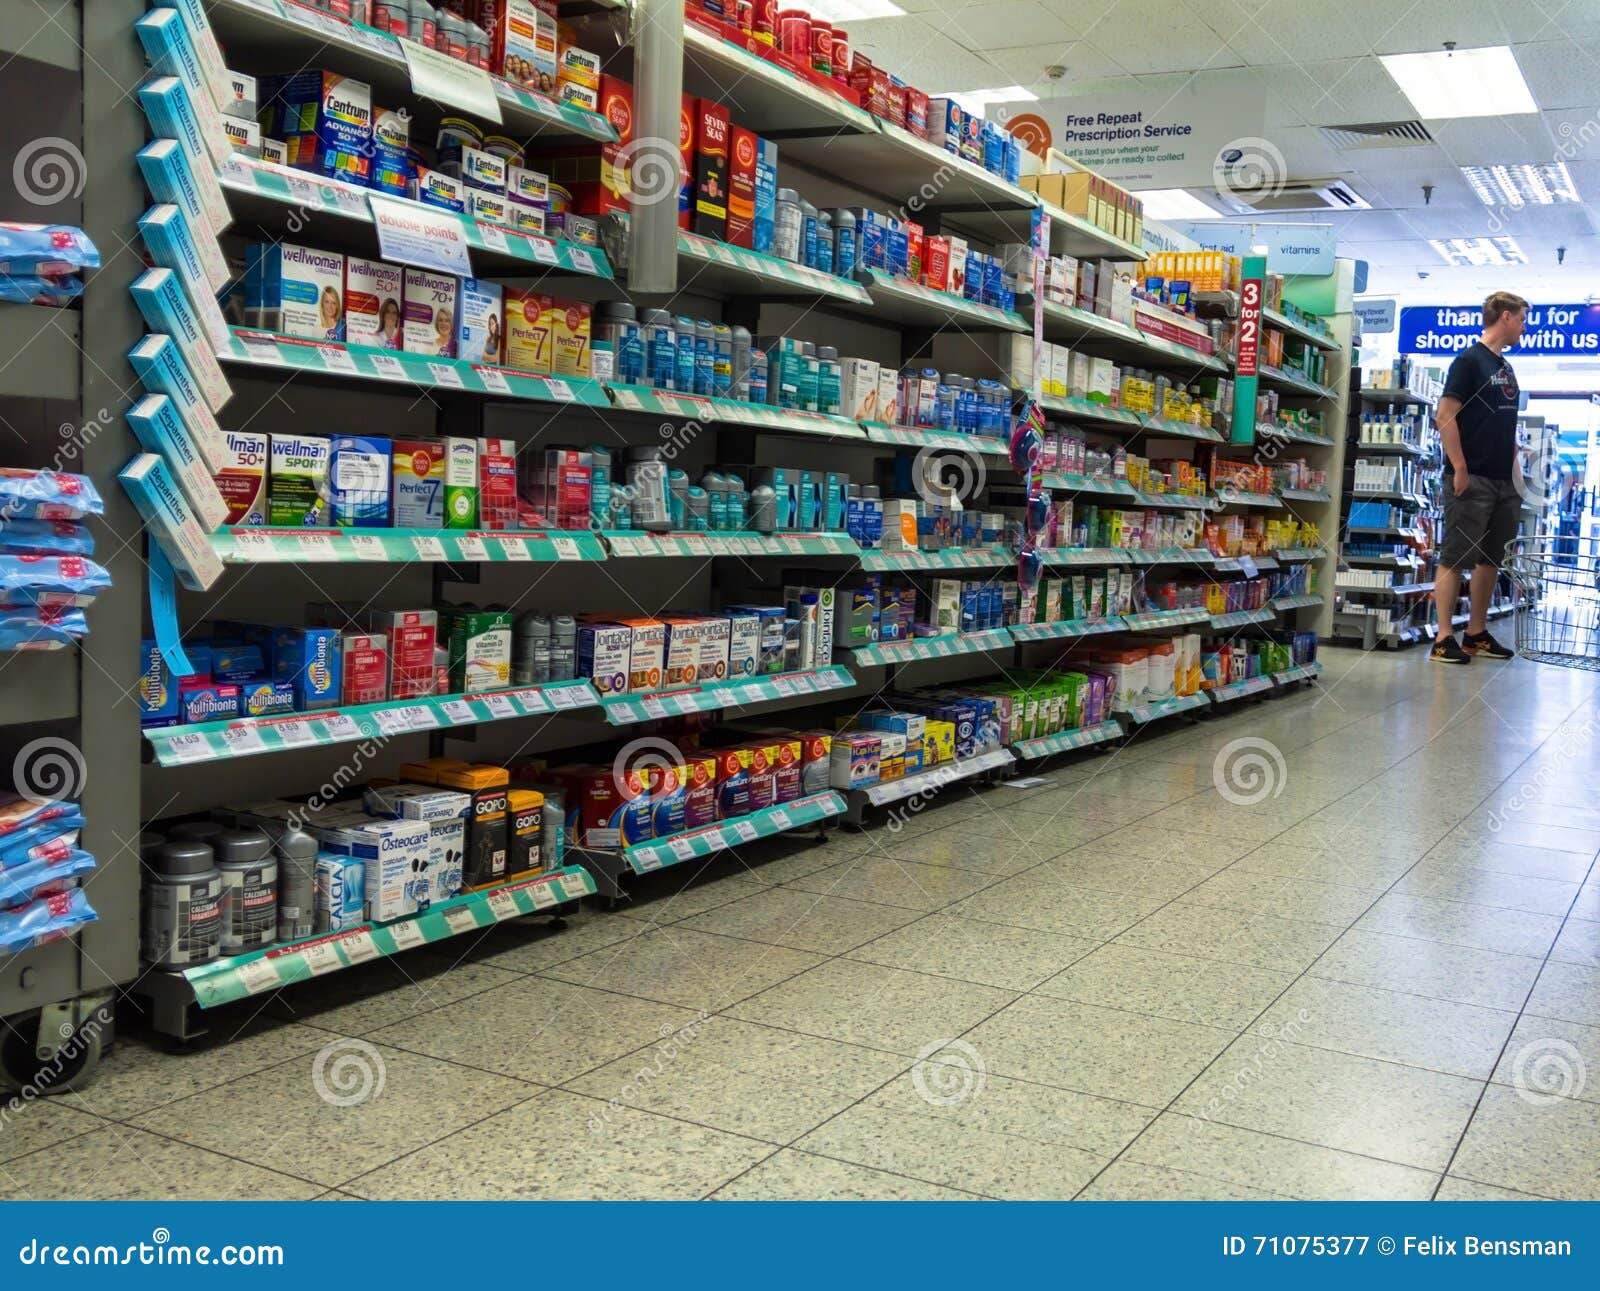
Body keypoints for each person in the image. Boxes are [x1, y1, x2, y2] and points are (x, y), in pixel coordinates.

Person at [1429, 290, 1527, 664]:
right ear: (1504, 316)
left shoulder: (1506, 366)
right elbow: (1445, 415)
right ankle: (1442, 638)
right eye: (1521, 319)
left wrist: (1517, 476)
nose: (1523, 326)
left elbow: (1506, 424)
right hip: (1472, 479)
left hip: (1504, 481)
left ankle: (1476, 632)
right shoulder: (1469, 361)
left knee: (1491, 558)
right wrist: (1460, 466)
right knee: (1455, 555)